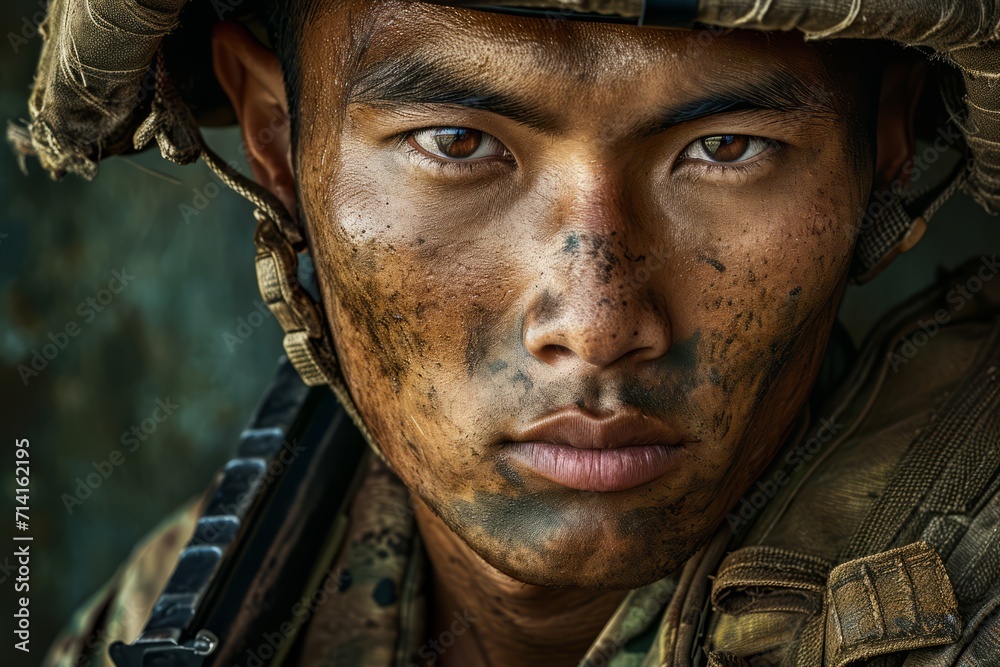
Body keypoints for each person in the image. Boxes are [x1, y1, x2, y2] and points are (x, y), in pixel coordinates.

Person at [21, 0, 1000, 665]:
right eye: (455, 142)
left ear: (886, 145)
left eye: (725, 149)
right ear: (278, 136)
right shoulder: (195, 591)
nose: (596, 322)